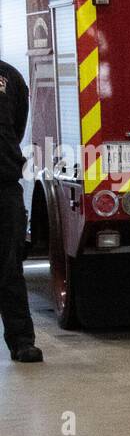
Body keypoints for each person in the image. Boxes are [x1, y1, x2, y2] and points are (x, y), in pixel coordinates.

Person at [0, 58, 42, 364]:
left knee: (9, 266)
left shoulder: (9, 77)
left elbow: (17, 127)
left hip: (3, 186)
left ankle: (22, 341)